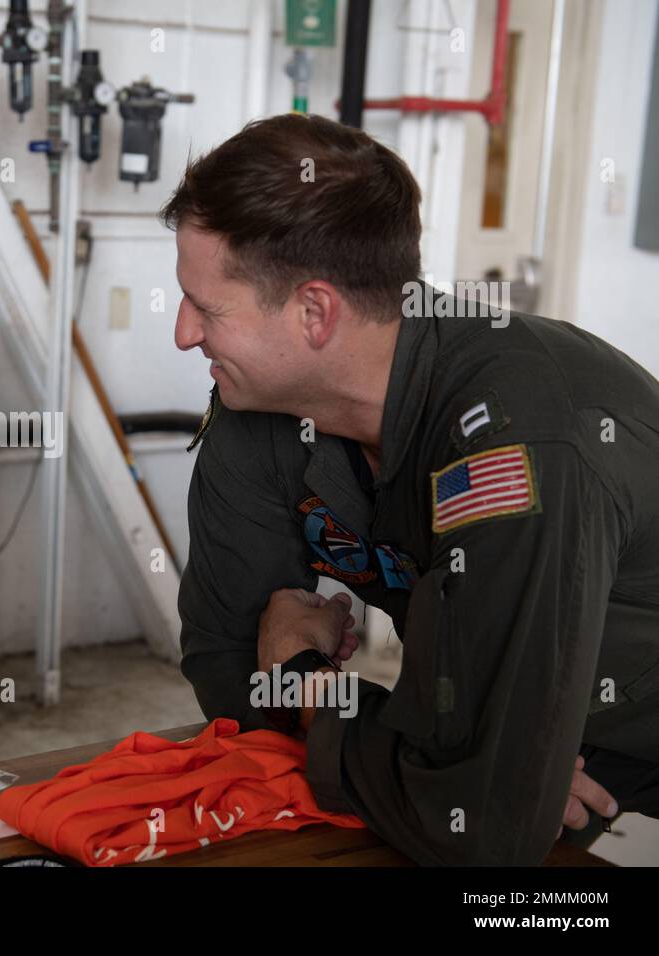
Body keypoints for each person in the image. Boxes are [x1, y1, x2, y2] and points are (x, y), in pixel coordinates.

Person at [163, 114, 659, 865]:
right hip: (503, 735)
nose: (182, 332)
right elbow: (229, 674)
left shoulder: (521, 439)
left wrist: (305, 687)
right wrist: (470, 774)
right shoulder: (259, 408)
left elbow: (481, 825)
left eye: (207, 307)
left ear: (314, 313)